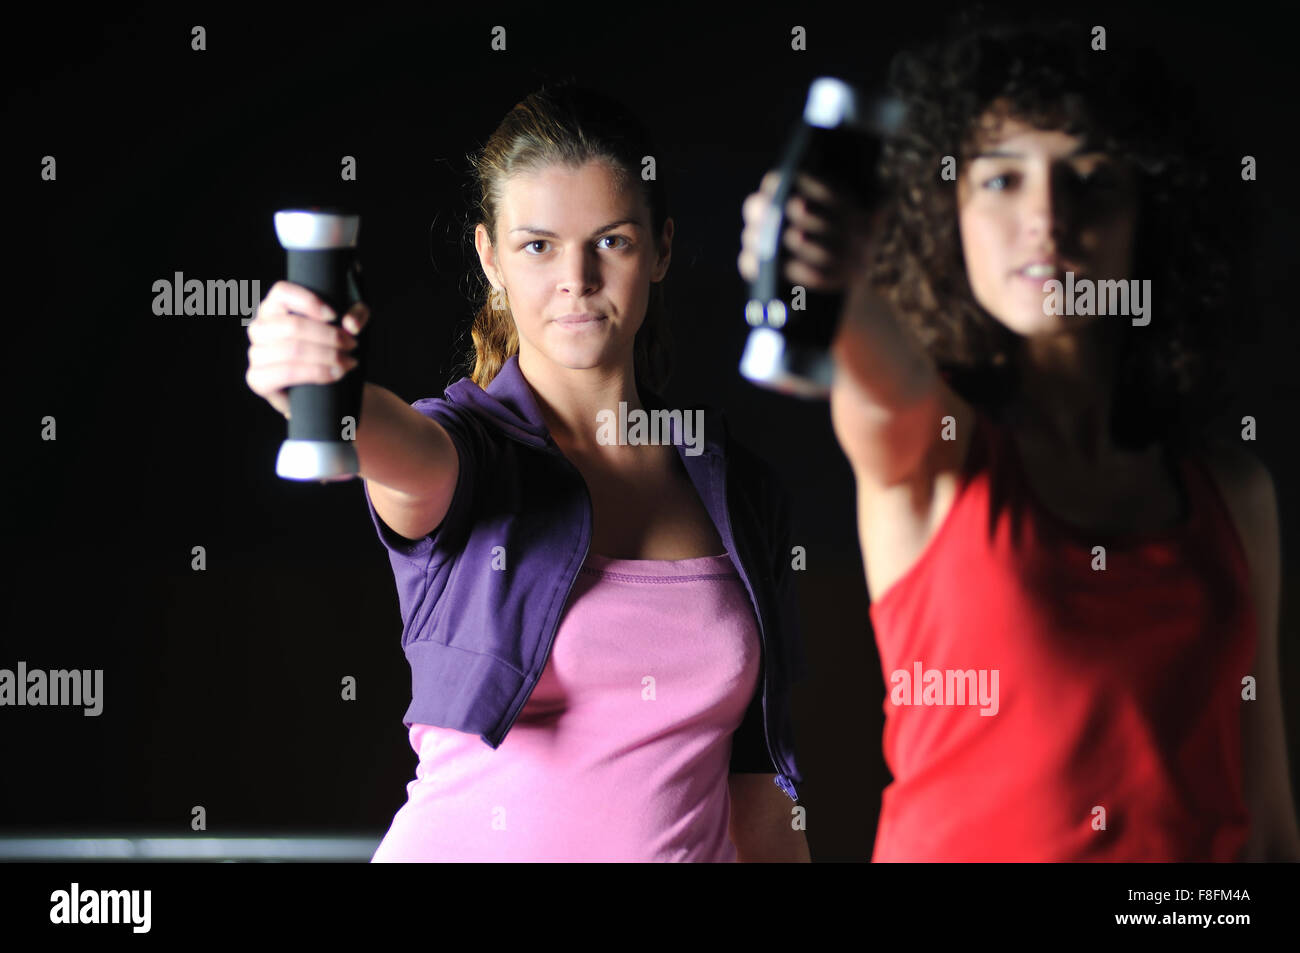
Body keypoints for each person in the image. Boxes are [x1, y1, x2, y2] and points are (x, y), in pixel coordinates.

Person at [739, 19, 1300, 861]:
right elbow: (880, 373)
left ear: (1152, 216)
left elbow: (1265, 816)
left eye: (1091, 179)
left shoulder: (1233, 492)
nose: (1047, 216)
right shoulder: (931, 451)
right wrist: (835, 283)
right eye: (1001, 180)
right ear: (943, 213)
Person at [247, 82, 810, 862]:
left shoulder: (740, 493)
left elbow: (759, 789)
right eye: (538, 245)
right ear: (491, 258)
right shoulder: (468, 452)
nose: (575, 278)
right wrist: (321, 381)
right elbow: (398, 448)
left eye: (610, 240)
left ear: (662, 248)